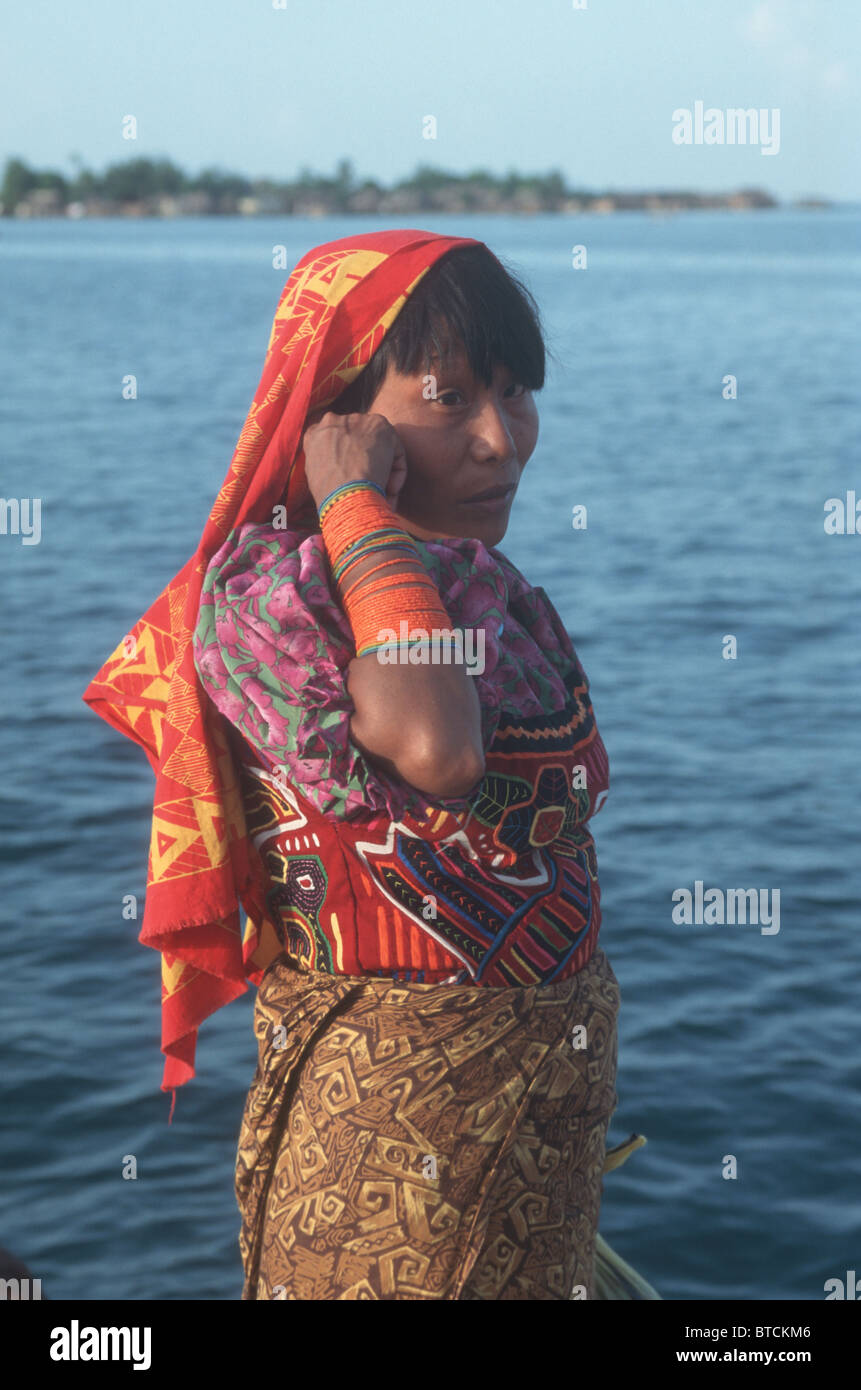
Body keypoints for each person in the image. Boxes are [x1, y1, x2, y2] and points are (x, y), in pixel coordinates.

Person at [83, 228, 658, 1301]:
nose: (502, 439)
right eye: (450, 400)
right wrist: (351, 503)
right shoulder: (275, 599)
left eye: (516, 392)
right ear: (341, 419)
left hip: (534, 1144)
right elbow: (436, 746)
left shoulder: (492, 592)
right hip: (393, 1160)